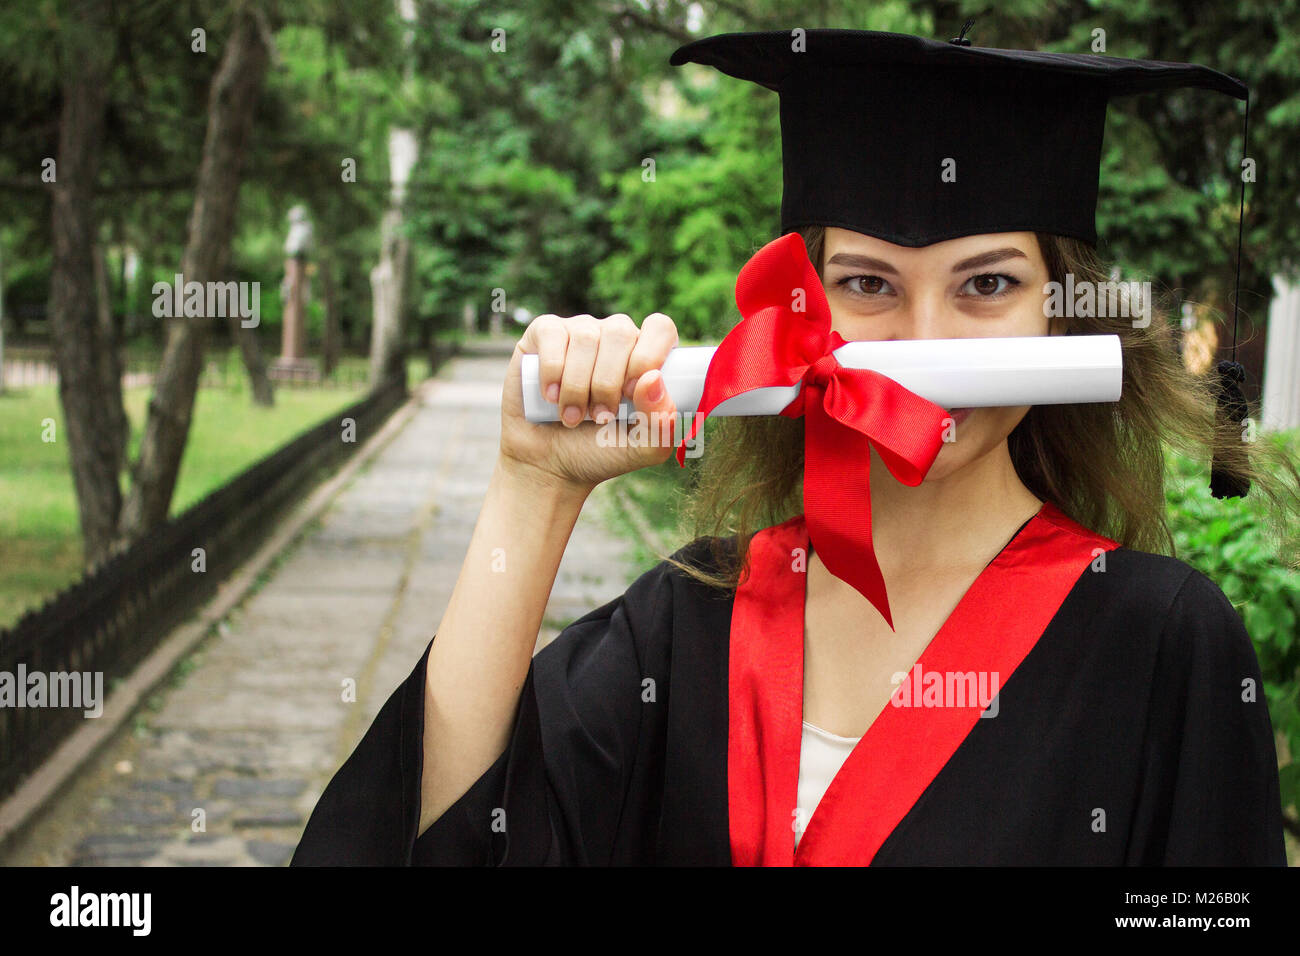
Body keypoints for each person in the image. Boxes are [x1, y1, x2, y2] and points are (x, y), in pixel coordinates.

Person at [292, 28, 1298, 866]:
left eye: (986, 285)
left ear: (1061, 317)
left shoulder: (1161, 642)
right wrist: (534, 486)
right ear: (801, 308)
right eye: (867, 283)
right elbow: (447, 839)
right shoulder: (689, 624)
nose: (921, 345)